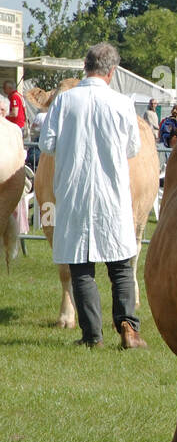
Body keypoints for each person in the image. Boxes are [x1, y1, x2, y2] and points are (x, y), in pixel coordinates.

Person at [38, 44, 147, 350]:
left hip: (73, 192)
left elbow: (46, 144)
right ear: (111, 72)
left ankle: (92, 336)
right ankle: (128, 329)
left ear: (84, 67)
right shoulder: (122, 103)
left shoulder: (64, 102)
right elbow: (132, 149)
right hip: (111, 193)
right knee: (121, 264)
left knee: (81, 267)